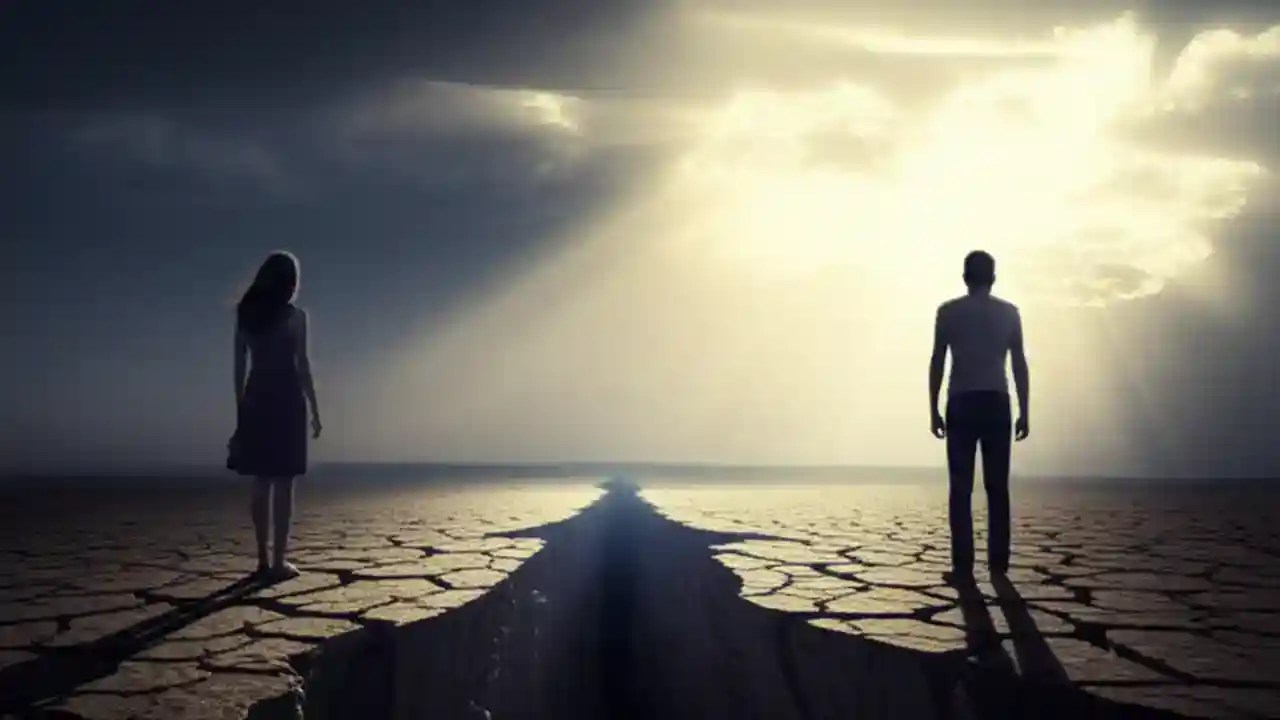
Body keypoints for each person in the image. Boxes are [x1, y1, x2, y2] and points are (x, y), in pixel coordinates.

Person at [928, 250, 1029, 583]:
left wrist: (933, 407)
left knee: (961, 489)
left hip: (962, 401)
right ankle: (998, 566)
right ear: (994, 277)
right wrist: (1025, 410)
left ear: (964, 277)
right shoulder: (1009, 313)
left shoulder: (948, 312)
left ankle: (963, 566)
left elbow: (938, 361)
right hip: (998, 402)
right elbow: (1018, 364)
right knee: (997, 488)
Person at [231, 250, 322, 581]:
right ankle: (279, 561)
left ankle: (261, 560)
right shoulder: (296, 317)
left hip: (257, 396)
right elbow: (303, 365)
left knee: (261, 479)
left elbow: (239, 367)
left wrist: (241, 410)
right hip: (286, 398)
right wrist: (314, 407)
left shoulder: (246, 314)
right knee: (283, 482)